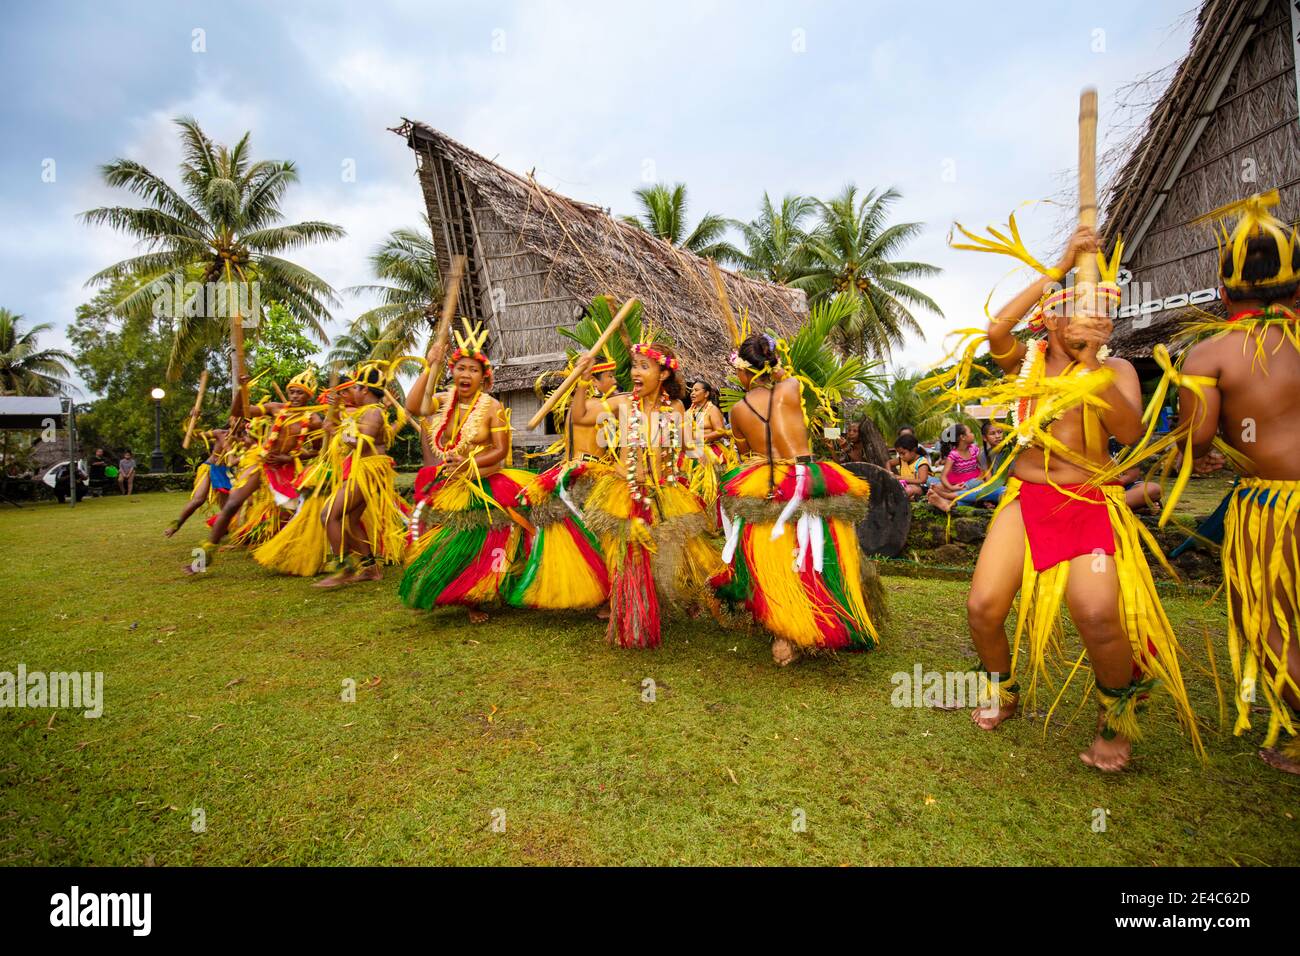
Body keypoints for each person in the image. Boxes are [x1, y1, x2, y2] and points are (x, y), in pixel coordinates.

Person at [935, 220, 1201, 771]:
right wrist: (1057, 266)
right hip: (1025, 498)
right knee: (983, 607)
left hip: (1088, 501)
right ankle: (1003, 692)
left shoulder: (1115, 370)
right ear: (1053, 316)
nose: (1088, 319)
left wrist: (1089, 368)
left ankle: (1114, 718)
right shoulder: (1025, 363)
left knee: (1097, 613)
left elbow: (1128, 435)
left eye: (1097, 312)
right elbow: (996, 330)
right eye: (1075, 309)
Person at [1171, 191, 1300, 773]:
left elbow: (1194, 442)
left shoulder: (1211, 354)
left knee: (1272, 626)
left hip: (1274, 508)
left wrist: (1194, 452)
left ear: (1223, 294)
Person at [717, 332, 881, 665]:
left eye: (737, 370)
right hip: (809, 475)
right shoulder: (790, 387)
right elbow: (784, 379)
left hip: (769, 478)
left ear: (744, 372)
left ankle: (783, 632)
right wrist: (773, 369)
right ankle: (823, 617)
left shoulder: (737, 410)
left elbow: (746, 454)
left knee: (776, 557)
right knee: (818, 552)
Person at [568, 337, 727, 648]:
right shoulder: (624, 403)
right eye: (634, 367)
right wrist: (582, 382)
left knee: (667, 555)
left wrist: (707, 454)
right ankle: (631, 615)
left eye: (644, 366)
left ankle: (670, 601)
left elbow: (688, 446)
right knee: (628, 557)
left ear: (663, 374)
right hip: (625, 490)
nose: (635, 373)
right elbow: (581, 417)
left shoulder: (677, 408)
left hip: (664, 491)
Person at [399, 322, 535, 619]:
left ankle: (483, 594)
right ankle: (457, 592)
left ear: (484, 378)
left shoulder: (492, 407)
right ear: (453, 372)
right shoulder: (443, 401)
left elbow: (499, 451)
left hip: (482, 479)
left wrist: (468, 465)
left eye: (473, 370)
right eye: (461, 368)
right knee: (448, 540)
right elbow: (413, 406)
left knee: (482, 539)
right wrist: (429, 367)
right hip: (447, 483)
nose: (465, 374)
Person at [507, 352, 621, 614]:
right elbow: (629, 401)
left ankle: (590, 593)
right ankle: (607, 596)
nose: (615, 381)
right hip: (587, 474)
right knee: (600, 536)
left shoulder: (580, 406)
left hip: (569, 473)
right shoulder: (593, 406)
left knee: (577, 537)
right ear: (594, 381)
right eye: (610, 376)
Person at [185, 370, 323, 571]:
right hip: (261, 464)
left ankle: (292, 552)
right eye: (292, 392)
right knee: (232, 504)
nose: (294, 396)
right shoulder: (276, 409)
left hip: (286, 471)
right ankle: (203, 558)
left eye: (299, 393)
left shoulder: (313, 420)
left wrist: (290, 457)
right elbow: (239, 412)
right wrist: (242, 389)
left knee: (292, 513)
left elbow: (316, 450)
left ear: (308, 396)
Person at [310, 361, 410, 588]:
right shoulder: (366, 412)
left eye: (354, 387)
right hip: (365, 470)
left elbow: (359, 442)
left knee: (329, 515)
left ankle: (343, 568)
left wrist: (336, 431)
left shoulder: (373, 413)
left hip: (367, 470)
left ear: (365, 389)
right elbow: (332, 424)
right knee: (352, 520)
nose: (351, 391)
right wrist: (333, 412)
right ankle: (371, 570)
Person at [165, 426, 236, 537]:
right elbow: (197, 436)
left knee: (227, 507)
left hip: (225, 472)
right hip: (209, 468)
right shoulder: (219, 433)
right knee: (198, 500)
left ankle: (222, 526)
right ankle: (176, 525)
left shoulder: (243, 438)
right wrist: (193, 419)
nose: (236, 421)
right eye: (234, 419)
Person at [685, 378, 736, 520]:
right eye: (691, 391)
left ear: (706, 394)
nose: (692, 393)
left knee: (713, 488)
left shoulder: (712, 410)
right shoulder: (689, 411)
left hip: (712, 452)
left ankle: (715, 520)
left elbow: (720, 431)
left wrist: (699, 436)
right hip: (691, 452)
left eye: (696, 390)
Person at [894, 434, 930, 500]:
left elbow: (922, 480)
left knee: (908, 490)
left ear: (913, 450)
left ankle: (913, 497)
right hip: (904, 485)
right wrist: (889, 472)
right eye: (899, 454)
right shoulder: (902, 459)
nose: (901, 456)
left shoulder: (921, 462)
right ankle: (912, 498)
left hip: (920, 488)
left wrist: (903, 479)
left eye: (903, 453)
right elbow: (889, 463)